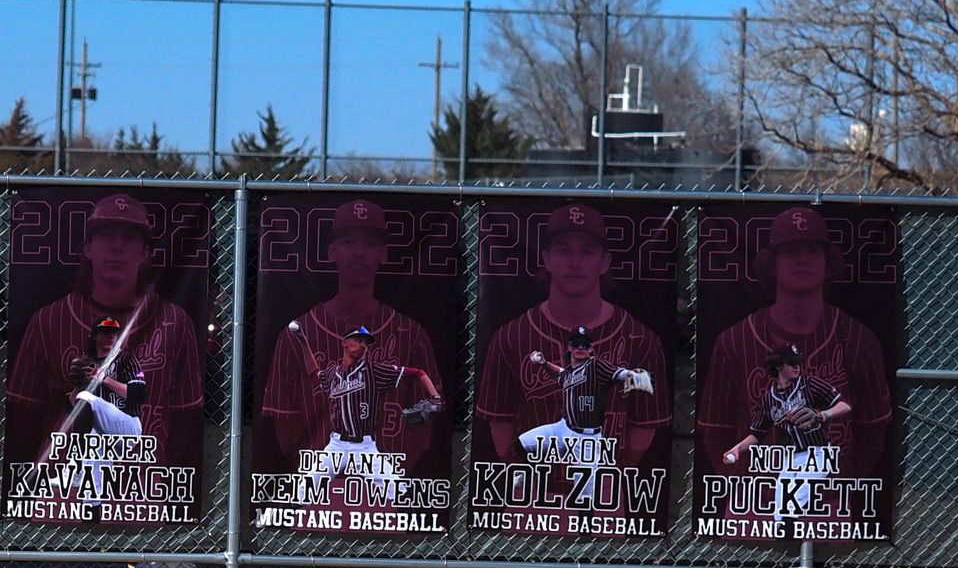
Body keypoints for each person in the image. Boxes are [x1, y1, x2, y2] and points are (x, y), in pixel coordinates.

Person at [5, 192, 203, 468]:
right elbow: (22, 415)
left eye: (129, 238)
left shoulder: (176, 320)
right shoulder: (49, 319)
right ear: (88, 247)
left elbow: (186, 418)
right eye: (107, 236)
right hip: (61, 479)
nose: (117, 247)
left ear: (145, 253)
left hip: (142, 482)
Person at [697, 205, 891, 481]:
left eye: (812, 251)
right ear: (772, 264)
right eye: (790, 252)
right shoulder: (734, 341)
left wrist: (840, 483)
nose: (802, 260)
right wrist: (744, 486)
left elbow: (873, 429)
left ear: (828, 262)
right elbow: (715, 431)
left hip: (830, 503)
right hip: (752, 501)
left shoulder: (858, 338)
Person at [259, 198, 443, 475]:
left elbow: (424, 432)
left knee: (396, 487)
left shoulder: (411, 333)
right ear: (332, 251)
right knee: (306, 486)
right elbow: (284, 431)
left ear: (383, 253)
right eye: (348, 242)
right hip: (325, 477)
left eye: (369, 243)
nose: (358, 252)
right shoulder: (297, 331)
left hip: (377, 468)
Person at [476, 202, 669, 466]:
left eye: (587, 251)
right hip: (529, 492)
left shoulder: (640, 338)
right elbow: (499, 422)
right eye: (563, 250)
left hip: (601, 477)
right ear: (546, 259)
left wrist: (617, 474)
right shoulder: (511, 336)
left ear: (605, 262)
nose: (575, 263)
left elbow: (644, 426)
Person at [290, 324, 442, 503]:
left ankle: (418, 524)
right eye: (358, 341)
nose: (363, 345)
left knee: (398, 491)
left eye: (366, 343)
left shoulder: (373, 371)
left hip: (364, 447)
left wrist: (435, 398)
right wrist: (303, 341)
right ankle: (278, 519)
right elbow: (315, 375)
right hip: (336, 445)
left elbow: (418, 372)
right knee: (305, 488)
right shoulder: (333, 374)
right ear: (345, 343)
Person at [719, 343, 853, 520]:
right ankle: (791, 543)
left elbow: (844, 405)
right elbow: (757, 434)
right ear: (778, 366)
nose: (797, 367)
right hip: (791, 458)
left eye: (798, 362)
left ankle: (805, 543)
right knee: (779, 515)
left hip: (819, 453)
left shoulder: (810, 384)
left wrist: (822, 415)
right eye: (792, 363)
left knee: (791, 504)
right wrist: (737, 449)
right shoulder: (769, 399)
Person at [520, 326, 654, 457]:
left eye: (585, 345)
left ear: (590, 349)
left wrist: (634, 376)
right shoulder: (569, 373)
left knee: (586, 479)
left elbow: (618, 373)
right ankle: (533, 475)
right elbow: (560, 375)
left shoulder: (595, 365)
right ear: (569, 347)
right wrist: (544, 363)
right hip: (563, 429)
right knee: (522, 444)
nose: (580, 348)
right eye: (576, 344)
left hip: (588, 439)